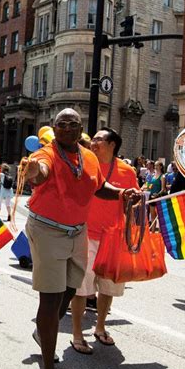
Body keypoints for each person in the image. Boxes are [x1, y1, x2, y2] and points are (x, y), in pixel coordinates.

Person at [21, 109, 141, 369]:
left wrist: (123, 193)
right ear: (55, 129)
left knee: (71, 290)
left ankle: (42, 330)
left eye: (72, 124)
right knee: (50, 298)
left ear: (80, 128)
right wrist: (35, 172)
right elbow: (41, 172)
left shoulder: (88, 157)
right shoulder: (47, 154)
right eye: (60, 124)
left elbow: (100, 187)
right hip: (47, 229)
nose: (65, 128)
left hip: (78, 231)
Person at [70, 127, 139, 354]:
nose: (94, 142)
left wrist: (138, 203)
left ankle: (100, 327)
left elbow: (133, 207)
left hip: (113, 238)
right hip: (85, 235)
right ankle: (77, 334)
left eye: (99, 139)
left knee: (107, 287)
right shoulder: (84, 164)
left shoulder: (127, 171)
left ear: (112, 145)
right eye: (94, 139)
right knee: (81, 288)